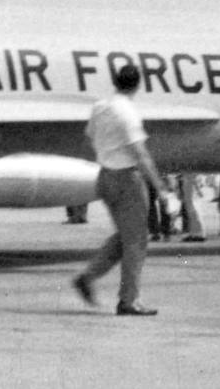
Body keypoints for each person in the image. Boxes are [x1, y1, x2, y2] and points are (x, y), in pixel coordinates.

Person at [71, 63, 166, 317]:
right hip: (127, 180)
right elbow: (141, 154)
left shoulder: (100, 107)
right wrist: (162, 189)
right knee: (136, 241)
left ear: (116, 81)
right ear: (137, 84)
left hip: (105, 177)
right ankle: (128, 301)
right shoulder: (128, 112)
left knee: (126, 236)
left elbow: (89, 135)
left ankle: (88, 277)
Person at [178, 173, 205, 241]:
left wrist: (198, 191)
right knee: (192, 214)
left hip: (190, 196)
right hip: (189, 195)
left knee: (192, 214)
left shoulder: (188, 175)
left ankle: (196, 234)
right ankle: (195, 234)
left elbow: (194, 181)